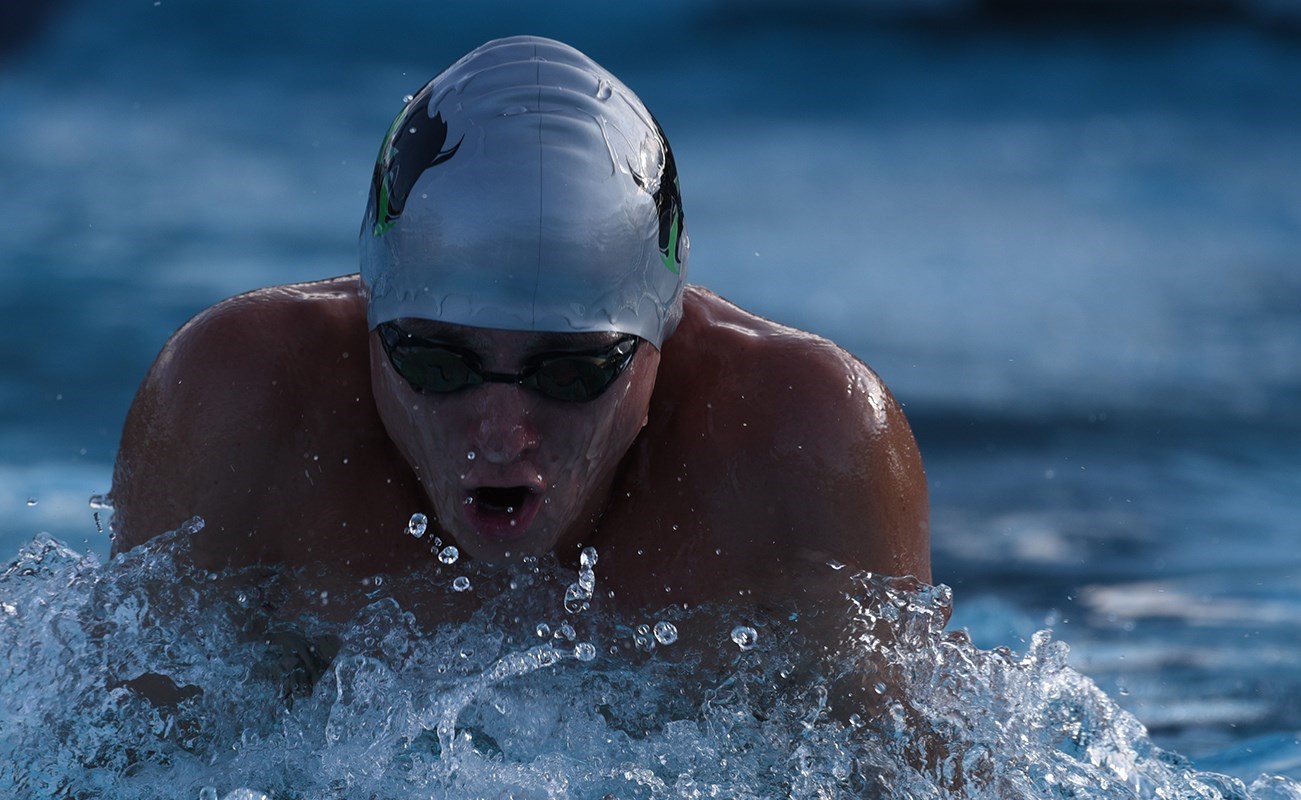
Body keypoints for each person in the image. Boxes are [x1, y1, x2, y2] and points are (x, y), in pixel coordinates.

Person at [109, 35, 927, 663]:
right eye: (437, 364)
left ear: (660, 337)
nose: (500, 432)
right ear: (373, 320)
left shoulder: (809, 444)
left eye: (569, 373)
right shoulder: (241, 403)